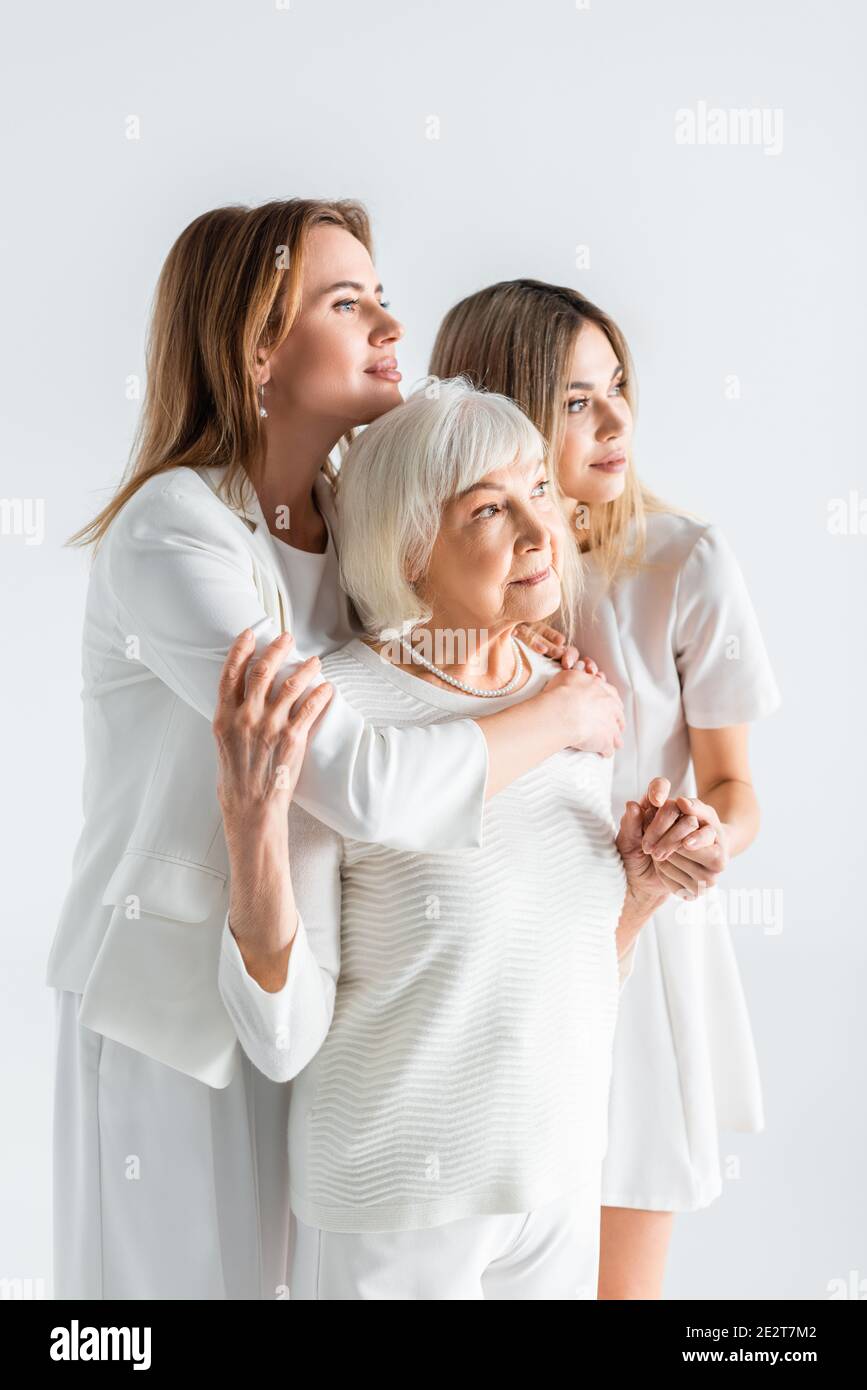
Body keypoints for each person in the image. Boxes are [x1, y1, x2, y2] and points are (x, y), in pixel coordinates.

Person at [46, 205, 625, 1299]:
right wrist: (561, 716)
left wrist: (500, 637)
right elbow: (357, 778)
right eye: (345, 300)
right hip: (177, 1003)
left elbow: (405, 673)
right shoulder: (175, 531)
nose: (390, 320)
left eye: (380, 290)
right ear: (257, 346)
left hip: (314, 999)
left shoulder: (339, 511)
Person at [215, 378, 674, 1299]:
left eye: (539, 489)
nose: (541, 531)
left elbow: (561, 970)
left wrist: (642, 889)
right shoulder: (338, 713)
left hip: (555, 1179)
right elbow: (282, 1036)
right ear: (411, 549)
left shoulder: (569, 698)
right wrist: (253, 825)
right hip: (399, 1205)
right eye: (488, 510)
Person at [428, 280, 782, 1298]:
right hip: (500, 952)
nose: (618, 419)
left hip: (644, 945)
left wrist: (708, 834)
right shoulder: (441, 579)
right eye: (576, 399)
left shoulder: (681, 564)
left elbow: (736, 785)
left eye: (618, 386)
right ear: (497, 409)